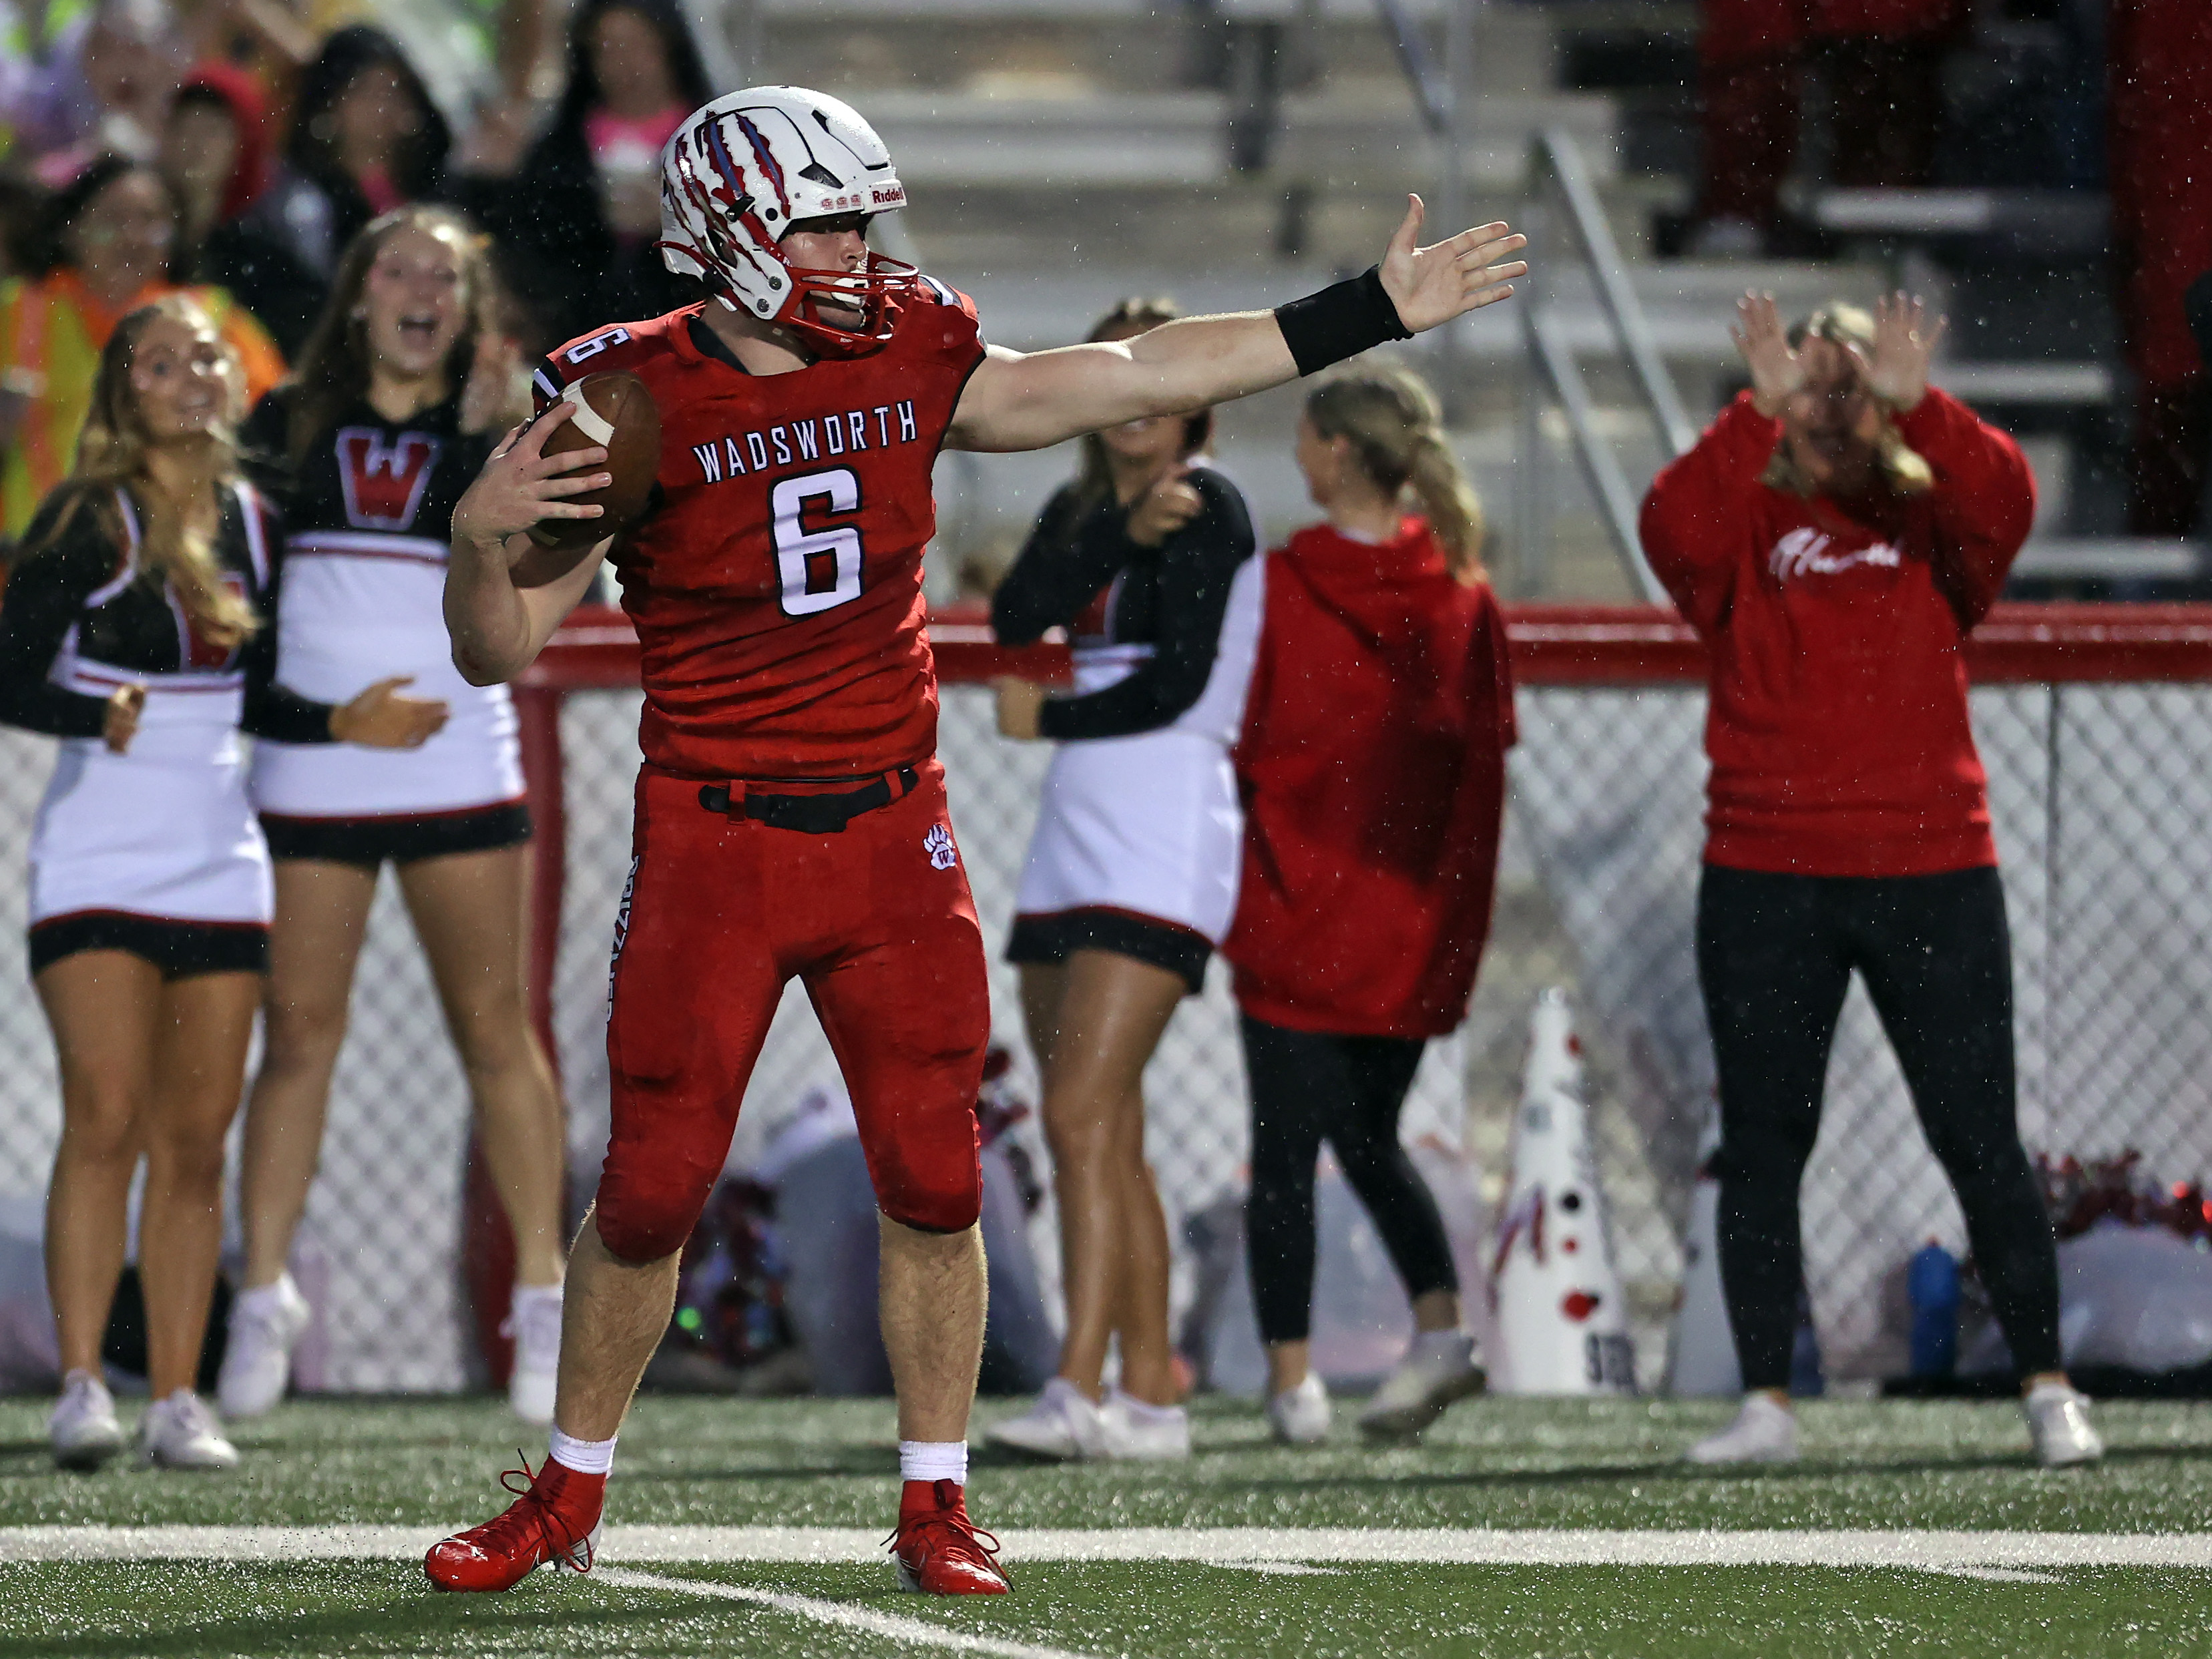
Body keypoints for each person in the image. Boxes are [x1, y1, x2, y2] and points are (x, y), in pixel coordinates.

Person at [419, 84, 1524, 1598]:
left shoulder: (911, 340)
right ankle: (565, 1492)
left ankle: (934, 1501)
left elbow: (1125, 368)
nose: (860, 252)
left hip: (891, 835)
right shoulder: (624, 397)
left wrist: (1362, 313)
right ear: (737, 234)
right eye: (825, 221)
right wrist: (481, 538)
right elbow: (497, 650)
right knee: (655, 1188)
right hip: (718, 841)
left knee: (935, 1177)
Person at [1640, 292, 2101, 1469]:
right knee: (1761, 1142)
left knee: (1976, 1136)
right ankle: (1763, 1403)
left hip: (1930, 867)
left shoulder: (1930, 513)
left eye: (1852, 386)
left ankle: (2048, 1387)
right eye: (1814, 385)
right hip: (1761, 871)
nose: (1831, 409)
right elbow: (1669, 535)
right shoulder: (1742, 506)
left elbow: (2006, 501)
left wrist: (1921, 406)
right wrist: (1755, 410)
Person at [0, 294, 441, 1471]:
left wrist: (342, 722)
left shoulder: (255, 519)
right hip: (97, 851)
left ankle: (179, 1399)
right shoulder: (90, 516)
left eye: (205, 357)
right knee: (104, 1115)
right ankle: (84, 1383)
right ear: (123, 390)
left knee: (198, 1139)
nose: (191, 375)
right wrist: (94, 708)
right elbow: (7, 678)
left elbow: (250, 704)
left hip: (219, 859)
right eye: (160, 362)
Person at [215, 204, 570, 1426]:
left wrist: (502, 445)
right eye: (397, 269)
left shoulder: (509, 434)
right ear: (360, 294)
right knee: (299, 1038)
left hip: (457, 769)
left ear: (468, 308)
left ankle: (542, 1300)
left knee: (496, 1033)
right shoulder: (280, 424)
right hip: (312, 772)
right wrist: (328, 725)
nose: (419, 291)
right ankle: (260, 1296)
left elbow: (575, 558)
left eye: (445, 277)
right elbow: (230, 621)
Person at [979, 296, 1259, 1464]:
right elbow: (1012, 611)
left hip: (1159, 824)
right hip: (1075, 831)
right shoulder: (1089, 506)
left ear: (1192, 399)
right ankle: (1151, 1395)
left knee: (1082, 1115)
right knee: (1107, 1131)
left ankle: (1075, 1386)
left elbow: (1182, 686)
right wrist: (1116, 537)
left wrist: (1054, 718)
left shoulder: (1216, 505)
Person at [1226, 365, 1511, 1446]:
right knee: (1366, 1136)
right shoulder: (1465, 594)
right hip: (1410, 921)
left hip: (1294, 907)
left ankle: (1293, 1386)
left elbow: (1240, 740)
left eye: (1304, 440)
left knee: (1286, 1151)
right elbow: (1481, 776)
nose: (1295, 458)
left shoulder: (1282, 583)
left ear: (1339, 453)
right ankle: (1438, 1332)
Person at [0, 154, 284, 539]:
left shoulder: (218, 324)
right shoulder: (15, 313)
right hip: (32, 563)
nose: (132, 237)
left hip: (174, 563)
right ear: (70, 230)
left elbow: (275, 438)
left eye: (152, 222)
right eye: (113, 219)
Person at [489, 0, 712, 349]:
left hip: (694, 339)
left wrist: (675, 221)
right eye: (609, 47)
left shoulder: (716, 137)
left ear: (670, 45)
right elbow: (529, 247)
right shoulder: (560, 148)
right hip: (583, 339)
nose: (627, 62)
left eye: (639, 44)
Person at [160, 61, 326, 359]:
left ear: (242, 148)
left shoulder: (260, 264)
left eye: (213, 132)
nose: (196, 145)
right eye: (185, 127)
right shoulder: (130, 225)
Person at [258, 27, 449, 283]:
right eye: (366, 90)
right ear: (332, 102)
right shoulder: (306, 203)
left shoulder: (436, 190)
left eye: (394, 91)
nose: (383, 106)